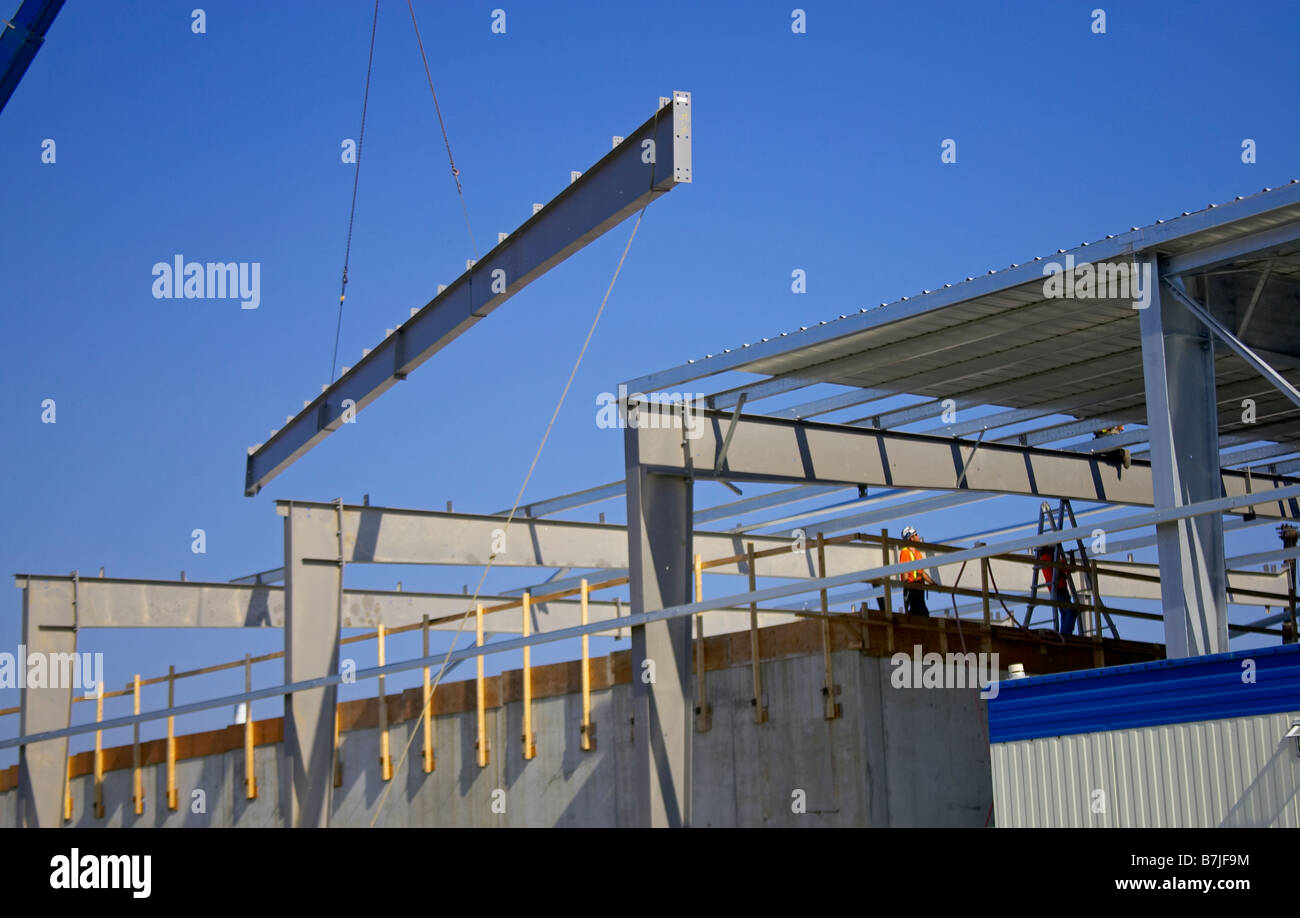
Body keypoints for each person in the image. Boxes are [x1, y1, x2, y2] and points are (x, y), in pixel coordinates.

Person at [1037, 544, 1077, 636]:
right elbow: (1069, 568)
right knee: (1071, 612)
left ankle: (1065, 634)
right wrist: (1071, 556)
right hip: (1058, 590)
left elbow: (1070, 569)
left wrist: (1071, 556)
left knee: (1065, 614)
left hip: (1061, 589)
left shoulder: (1051, 558)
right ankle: (1065, 634)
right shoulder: (1047, 558)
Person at [899, 526, 935, 616]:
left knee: (921, 612)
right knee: (920, 612)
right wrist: (907, 585)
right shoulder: (905, 552)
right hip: (912, 588)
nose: (918, 536)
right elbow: (905, 570)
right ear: (911, 538)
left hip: (919, 588)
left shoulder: (917, 553)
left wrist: (933, 584)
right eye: (916, 534)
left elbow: (921, 572)